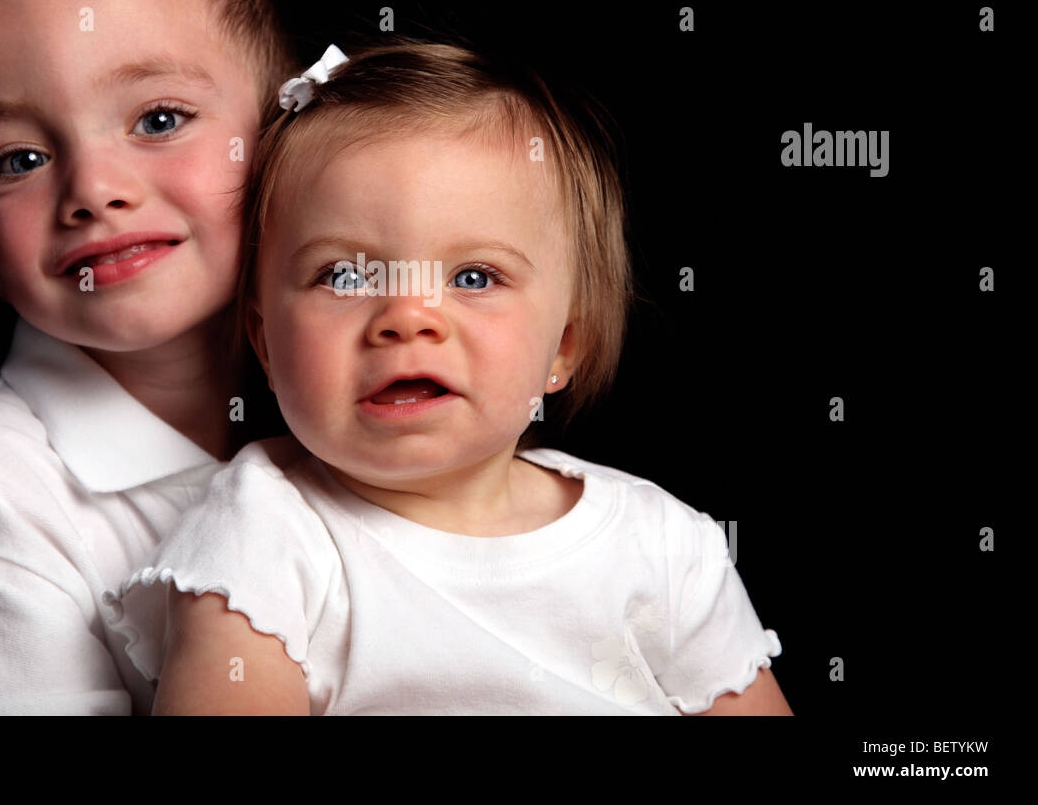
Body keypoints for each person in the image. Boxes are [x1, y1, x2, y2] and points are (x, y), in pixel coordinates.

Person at [105, 39, 793, 715]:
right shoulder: (264, 535)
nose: (406, 318)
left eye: (473, 277)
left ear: (565, 347)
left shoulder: (662, 547)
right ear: (265, 342)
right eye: (344, 276)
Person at [0, 0, 295, 714]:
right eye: (22, 159)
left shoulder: (376, 368)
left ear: (285, 139)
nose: (93, 191)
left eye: (159, 119)